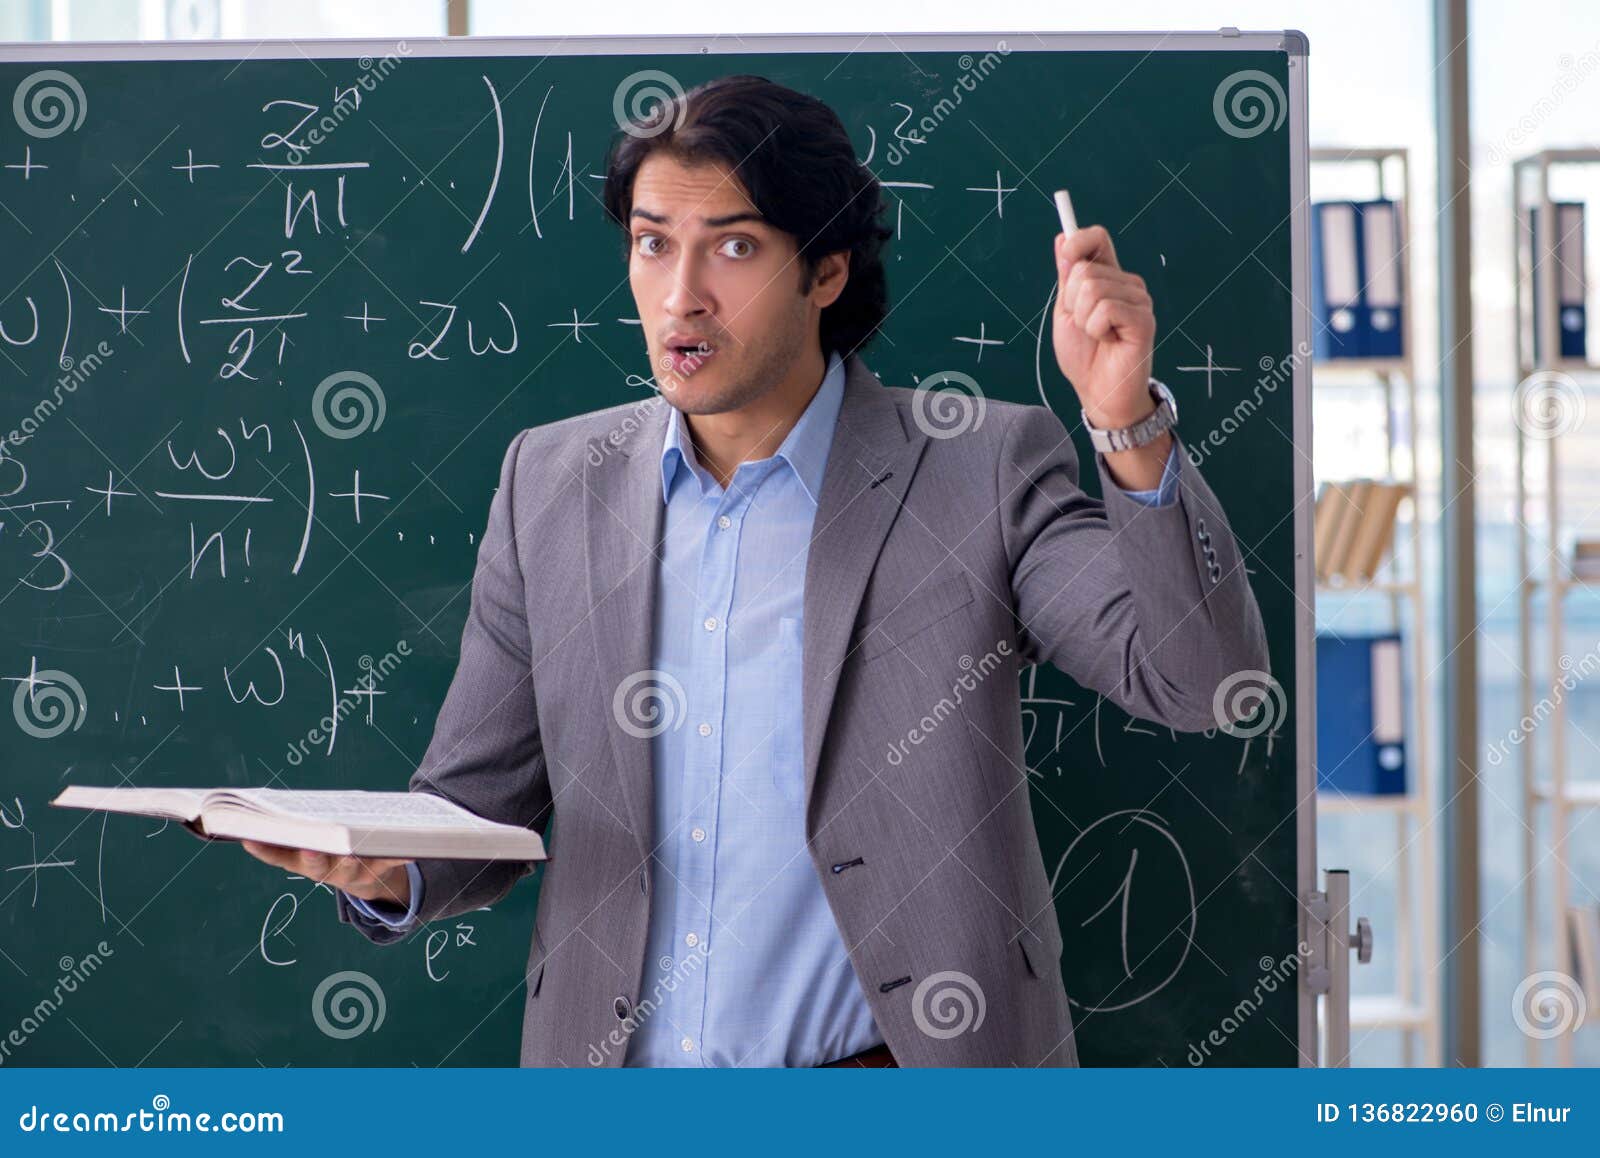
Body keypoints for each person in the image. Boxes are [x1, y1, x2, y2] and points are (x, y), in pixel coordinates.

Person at [242, 74, 1269, 1067]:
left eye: (731, 246)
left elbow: (1197, 682)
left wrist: (1123, 421)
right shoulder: (550, 484)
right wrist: (392, 870)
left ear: (823, 273)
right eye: (652, 245)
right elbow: (476, 806)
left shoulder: (976, 468)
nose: (680, 296)